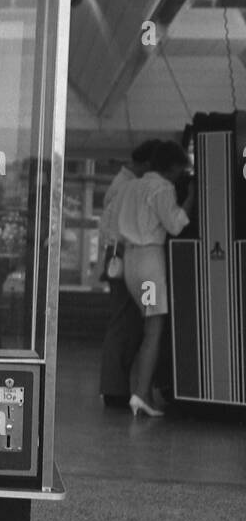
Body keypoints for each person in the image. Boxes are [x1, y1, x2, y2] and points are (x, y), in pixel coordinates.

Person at [115, 140, 195, 417]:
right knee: (154, 330)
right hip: (150, 265)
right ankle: (140, 394)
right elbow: (174, 224)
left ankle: (143, 390)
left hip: (131, 264)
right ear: (172, 167)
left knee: (146, 325)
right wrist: (189, 199)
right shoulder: (163, 187)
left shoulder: (131, 186)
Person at [98, 140, 158, 408]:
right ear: (146, 163)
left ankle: (116, 387)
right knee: (125, 322)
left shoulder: (122, 181)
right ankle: (114, 388)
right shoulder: (127, 185)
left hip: (117, 255)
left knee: (126, 321)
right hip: (122, 255)